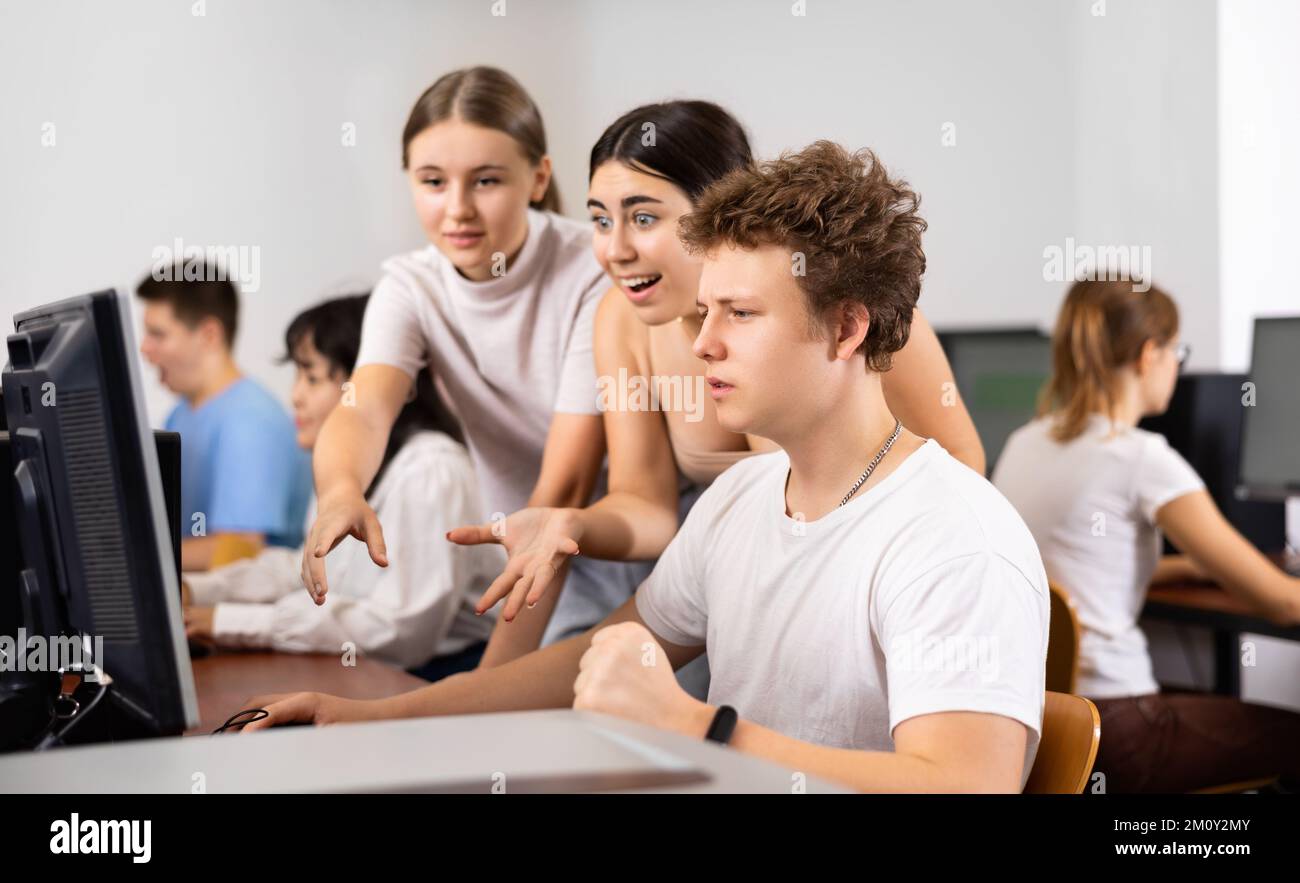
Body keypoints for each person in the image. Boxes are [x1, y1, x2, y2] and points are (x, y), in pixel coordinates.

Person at [243, 142, 1050, 794]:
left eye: (740, 314)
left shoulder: (954, 534)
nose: (702, 345)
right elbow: (596, 656)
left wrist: (701, 729)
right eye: (707, 311)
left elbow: (964, 785)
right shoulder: (740, 498)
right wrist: (370, 718)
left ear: (845, 330)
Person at [450, 101, 985, 628]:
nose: (615, 249)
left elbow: (959, 461)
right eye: (598, 220)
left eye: (642, 217)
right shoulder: (621, 320)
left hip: (865, 578)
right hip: (742, 577)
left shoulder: (844, 312)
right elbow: (646, 505)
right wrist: (572, 523)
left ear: (718, 210)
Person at [302, 66, 653, 664]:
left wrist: (483, 693)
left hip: (619, 552)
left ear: (538, 177)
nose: (457, 209)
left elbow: (564, 485)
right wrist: (339, 489)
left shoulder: (591, 272)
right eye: (433, 182)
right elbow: (364, 407)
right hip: (525, 551)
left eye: (486, 180)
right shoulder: (411, 286)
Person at [993, 279, 1300, 792]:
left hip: (1044, 721)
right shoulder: (1142, 458)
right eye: (1175, 350)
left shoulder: (1023, 443)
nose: (1177, 365)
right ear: (1148, 354)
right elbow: (1283, 606)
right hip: (1120, 729)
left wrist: (1186, 567)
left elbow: (1073, 566)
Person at [181, 294, 503, 679]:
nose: (294, 397)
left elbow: (403, 632)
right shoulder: (339, 470)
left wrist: (231, 622)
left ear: (371, 388)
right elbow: (303, 569)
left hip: (434, 678)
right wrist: (199, 592)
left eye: (312, 378)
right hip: (373, 670)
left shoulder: (431, 470)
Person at [137, 264, 311, 571]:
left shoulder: (251, 423)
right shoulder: (180, 414)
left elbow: (240, 552)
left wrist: (127, 558)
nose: (144, 348)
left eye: (158, 335)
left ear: (209, 335)